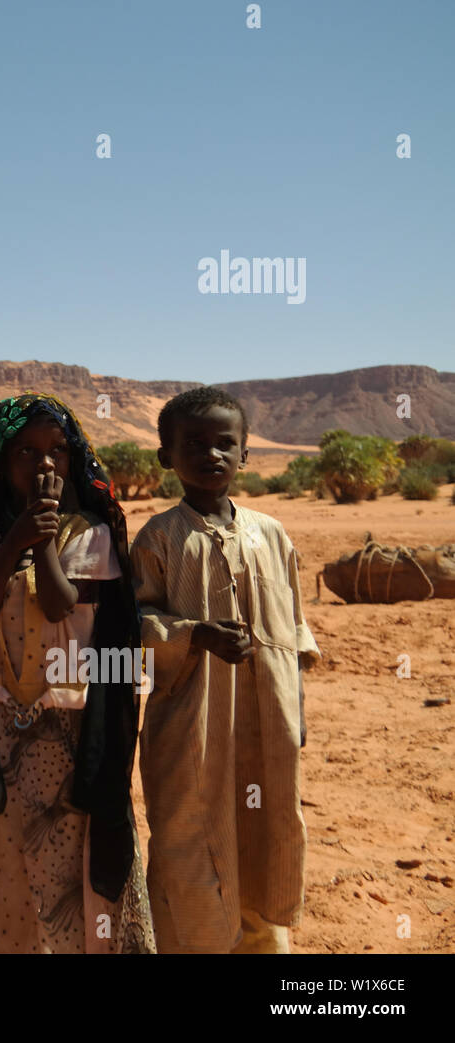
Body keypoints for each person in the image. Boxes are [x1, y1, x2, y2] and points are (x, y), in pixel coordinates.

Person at [0, 394, 154, 953]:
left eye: (57, 450)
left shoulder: (88, 531)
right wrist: (16, 539)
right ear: (0, 460)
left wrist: (41, 543)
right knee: (2, 865)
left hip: (68, 724)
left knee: (66, 870)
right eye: (26, 451)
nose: (44, 463)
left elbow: (61, 603)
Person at [132, 386, 319, 954]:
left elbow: (295, 622)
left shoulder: (271, 533)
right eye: (193, 444)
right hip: (193, 723)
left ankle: (263, 943)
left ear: (245, 456)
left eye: (224, 444)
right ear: (166, 457)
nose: (210, 455)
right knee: (190, 831)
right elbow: (133, 622)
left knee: (266, 829)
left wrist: (298, 708)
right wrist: (195, 636)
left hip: (267, 720)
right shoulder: (159, 537)